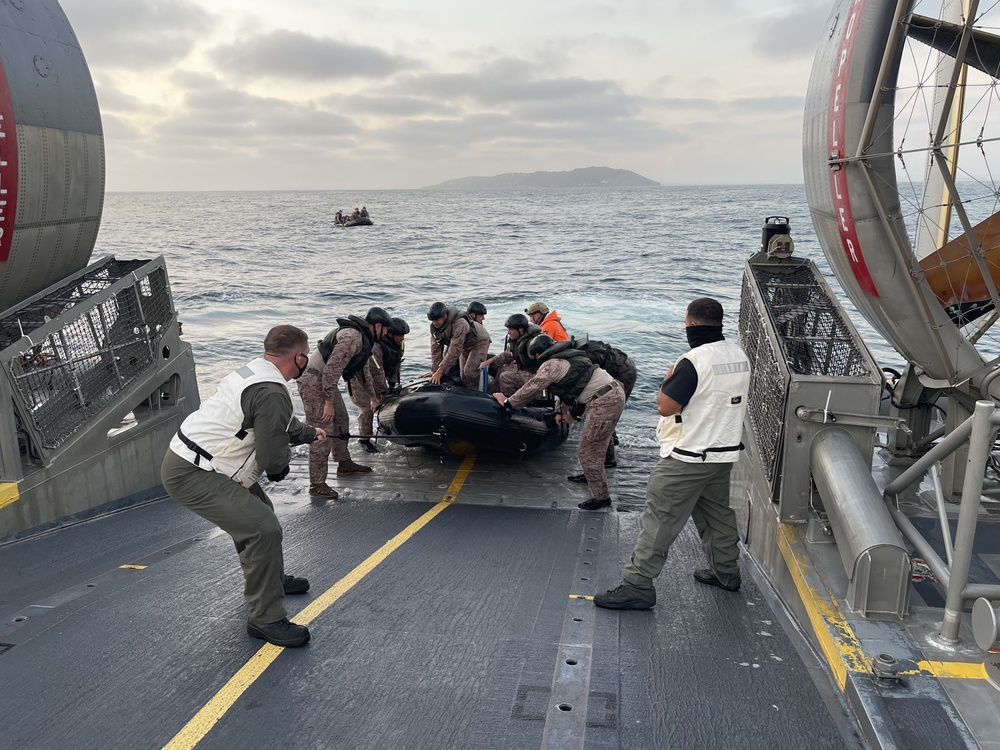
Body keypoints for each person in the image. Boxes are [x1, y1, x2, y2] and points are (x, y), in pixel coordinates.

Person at [160, 325, 325, 648]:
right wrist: (280, 467)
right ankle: (266, 619)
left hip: (195, 457)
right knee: (262, 528)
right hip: (192, 471)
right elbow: (271, 457)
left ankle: (271, 580)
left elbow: (276, 421)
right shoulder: (273, 392)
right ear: (299, 357)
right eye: (306, 356)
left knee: (261, 509)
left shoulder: (256, 371)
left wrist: (308, 433)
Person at [594, 298, 750, 610]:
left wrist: (668, 379)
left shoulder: (693, 361)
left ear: (690, 323)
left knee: (660, 518)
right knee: (717, 515)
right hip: (722, 453)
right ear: (719, 323)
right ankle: (727, 573)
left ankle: (637, 585)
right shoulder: (738, 354)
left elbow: (666, 406)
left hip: (688, 456)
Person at [494, 334, 625, 510]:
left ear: (537, 355)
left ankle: (601, 498)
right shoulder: (566, 359)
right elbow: (565, 390)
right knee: (596, 446)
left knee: (588, 450)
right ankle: (591, 475)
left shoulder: (551, 365)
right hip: (612, 393)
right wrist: (561, 412)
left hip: (604, 401)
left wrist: (508, 402)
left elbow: (532, 387)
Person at [297, 307, 391, 497]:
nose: (386, 334)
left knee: (341, 420)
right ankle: (317, 484)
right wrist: (328, 402)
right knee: (323, 430)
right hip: (314, 381)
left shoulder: (364, 340)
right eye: (386, 330)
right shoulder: (352, 338)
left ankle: (344, 463)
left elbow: (363, 374)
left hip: (325, 382)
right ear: (377, 326)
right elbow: (331, 369)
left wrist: (374, 396)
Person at [567, 336, 638, 479]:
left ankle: (608, 460)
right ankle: (613, 441)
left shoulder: (587, 358)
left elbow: (584, 387)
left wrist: (573, 413)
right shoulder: (582, 349)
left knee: (604, 416)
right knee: (606, 415)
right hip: (623, 365)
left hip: (623, 373)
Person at [424, 301, 491, 390]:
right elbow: (435, 350)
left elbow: (455, 350)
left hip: (480, 341)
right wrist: (435, 371)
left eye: (436, 320)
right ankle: (472, 393)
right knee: (463, 376)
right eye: (433, 321)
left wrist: (440, 371)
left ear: (445, 316)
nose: (434, 323)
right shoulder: (435, 328)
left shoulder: (460, 324)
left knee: (470, 372)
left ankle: (493, 386)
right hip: (465, 344)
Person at [482, 313, 543, 395]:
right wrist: (489, 362)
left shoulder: (532, 344)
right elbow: (507, 355)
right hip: (526, 369)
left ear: (520, 330)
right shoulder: (519, 339)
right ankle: (494, 394)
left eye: (511, 329)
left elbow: (544, 364)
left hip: (537, 376)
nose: (508, 333)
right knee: (502, 369)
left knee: (505, 377)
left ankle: (509, 399)